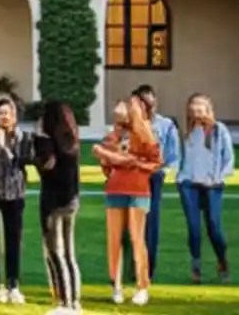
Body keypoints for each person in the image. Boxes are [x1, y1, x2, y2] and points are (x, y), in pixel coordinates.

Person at [93, 96, 161, 306]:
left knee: (136, 238)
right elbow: (106, 165)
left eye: (122, 109)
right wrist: (110, 160)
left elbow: (156, 161)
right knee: (114, 240)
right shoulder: (112, 136)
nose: (118, 113)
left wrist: (129, 162)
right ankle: (116, 285)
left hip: (138, 191)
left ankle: (142, 286)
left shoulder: (145, 134)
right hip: (115, 189)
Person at [176, 93, 235, 285]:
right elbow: (181, 156)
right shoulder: (187, 131)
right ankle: (196, 266)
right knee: (193, 228)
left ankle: (222, 260)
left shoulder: (219, 130)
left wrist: (218, 178)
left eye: (199, 109)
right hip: (189, 184)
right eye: (192, 109)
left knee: (213, 227)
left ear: (208, 110)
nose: (196, 113)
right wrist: (179, 176)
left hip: (212, 186)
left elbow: (229, 159)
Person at [34, 101, 82, 315]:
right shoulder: (71, 142)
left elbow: (45, 167)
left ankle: (65, 302)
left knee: (56, 253)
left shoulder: (48, 143)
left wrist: (38, 138)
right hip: (71, 201)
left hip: (53, 202)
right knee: (69, 254)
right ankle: (75, 301)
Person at [0, 96, 33, 305]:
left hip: (15, 193)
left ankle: (13, 284)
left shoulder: (23, 138)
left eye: (7, 113)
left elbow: (21, 161)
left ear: (14, 116)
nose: (3, 116)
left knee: (13, 241)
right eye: (0, 113)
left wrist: (4, 147)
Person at [132, 84, 181, 281]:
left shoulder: (166, 125)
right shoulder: (129, 124)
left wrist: (165, 171)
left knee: (151, 221)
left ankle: (148, 267)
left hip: (153, 176)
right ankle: (134, 264)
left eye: (146, 102)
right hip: (133, 175)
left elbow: (173, 153)